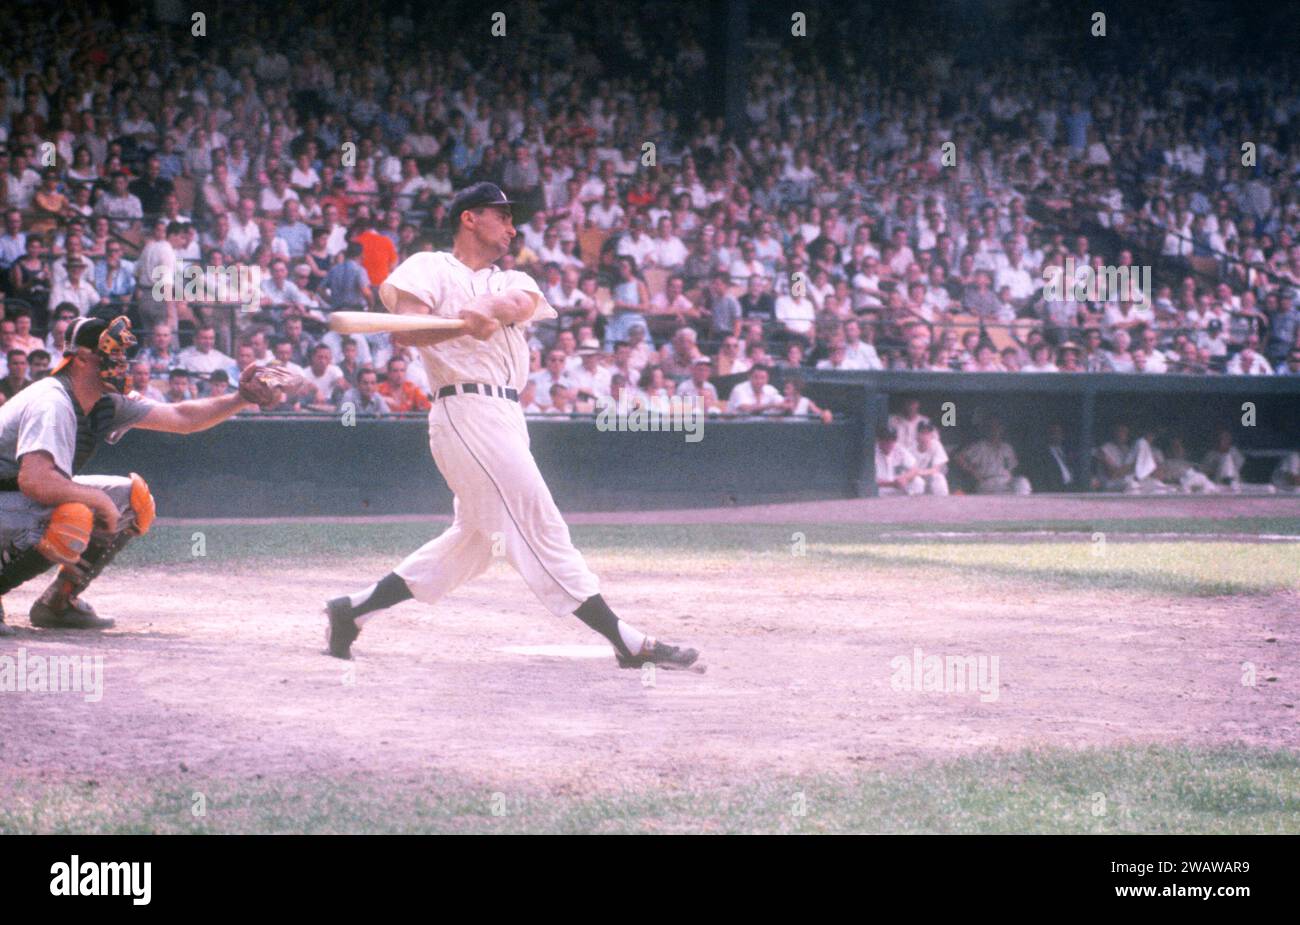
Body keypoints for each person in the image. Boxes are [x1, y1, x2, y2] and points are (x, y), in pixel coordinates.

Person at [322, 182, 699, 671]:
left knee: (474, 543)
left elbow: (518, 305)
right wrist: (461, 324)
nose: (512, 227)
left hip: (506, 413)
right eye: (501, 216)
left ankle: (353, 611)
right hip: (464, 408)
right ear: (469, 218)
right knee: (538, 522)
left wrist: (486, 311)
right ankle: (628, 641)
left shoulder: (513, 278)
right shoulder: (428, 267)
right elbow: (407, 329)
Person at [0, 316, 291, 634]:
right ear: (82, 358)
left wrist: (241, 399)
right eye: (112, 354)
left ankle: (59, 602)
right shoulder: (52, 401)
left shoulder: (103, 401)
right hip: (11, 492)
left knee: (133, 499)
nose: (121, 363)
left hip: (13, 498)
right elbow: (35, 480)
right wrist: (97, 499)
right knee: (76, 515)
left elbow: (182, 418)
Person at [955, 416, 1032, 494]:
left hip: (1006, 481)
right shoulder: (980, 446)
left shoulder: (1007, 448)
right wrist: (974, 473)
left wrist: (1009, 479)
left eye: (997, 427)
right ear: (986, 430)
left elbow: (1011, 467)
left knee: (1023, 482)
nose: (994, 430)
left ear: (1001, 429)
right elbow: (958, 457)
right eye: (991, 427)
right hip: (988, 482)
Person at [875, 425, 922, 496]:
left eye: (893, 439)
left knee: (918, 481)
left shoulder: (899, 449)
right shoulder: (872, 453)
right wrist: (891, 484)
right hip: (880, 490)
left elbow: (915, 469)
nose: (890, 442)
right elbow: (869, 481)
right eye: (887, 439)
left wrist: (905, 478)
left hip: (897, 488)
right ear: (879, 440)